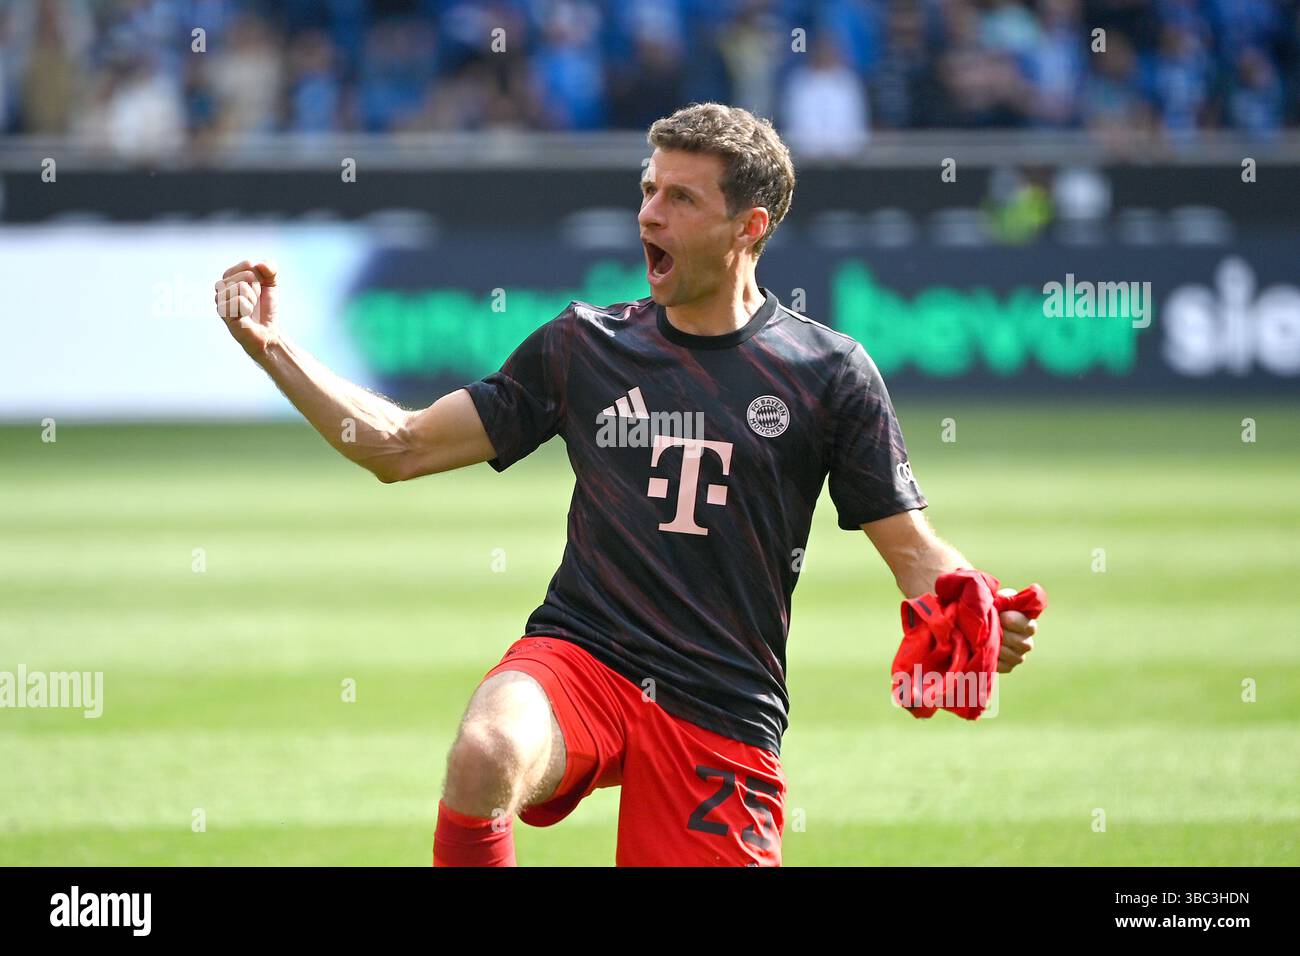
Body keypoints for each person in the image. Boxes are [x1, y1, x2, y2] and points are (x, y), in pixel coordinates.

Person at [212, 102, 1039, 867]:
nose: (649, 213)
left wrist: (973, 599)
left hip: (722, 700)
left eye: (681, 198)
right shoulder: (583, 346)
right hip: (585, 653)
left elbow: (910, 548)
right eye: (648, 190)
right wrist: (270, 347)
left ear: (748, 228)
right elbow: (398, 446)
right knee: (485, 752)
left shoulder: (827, 373)